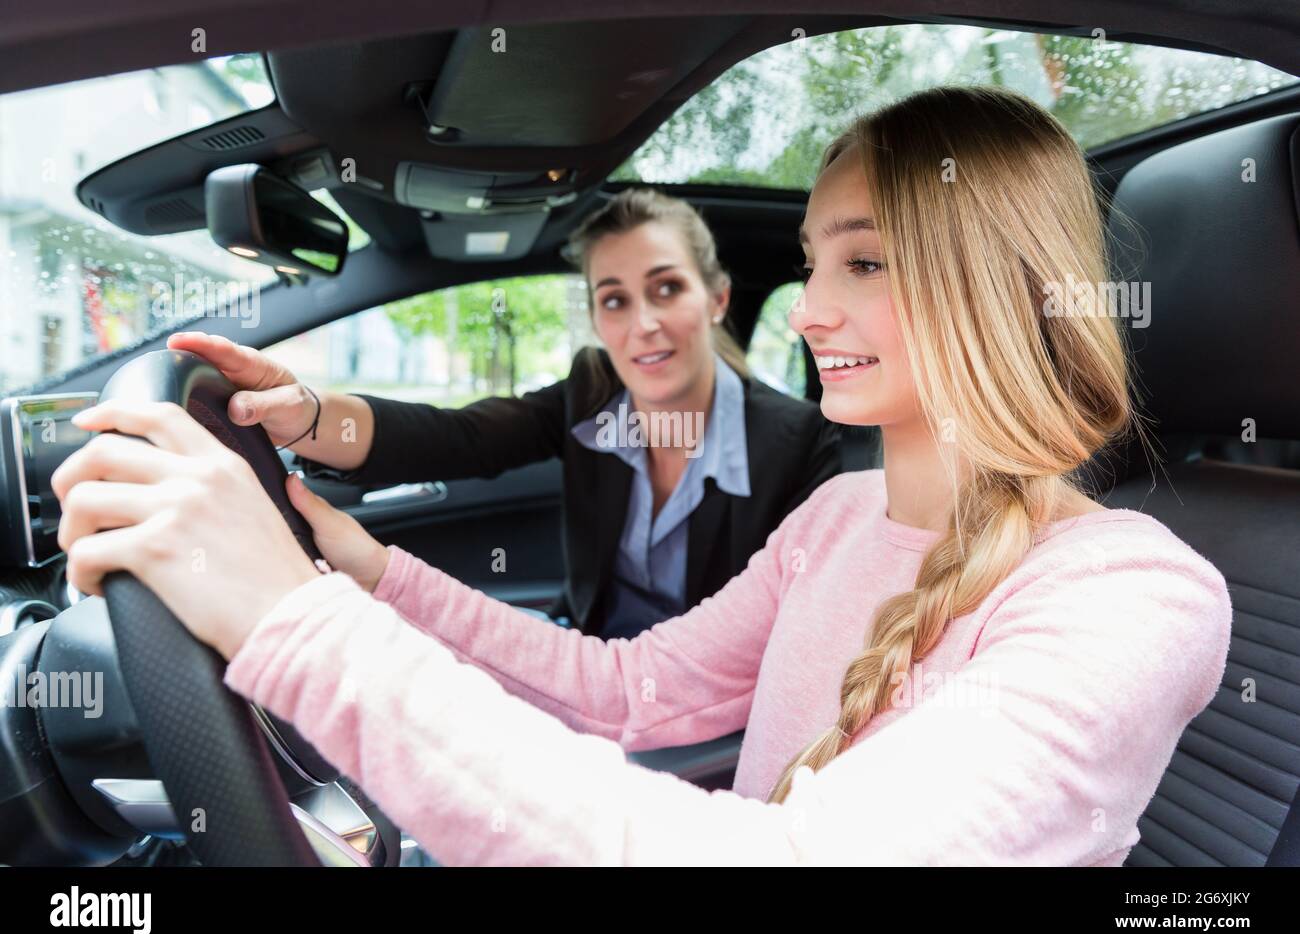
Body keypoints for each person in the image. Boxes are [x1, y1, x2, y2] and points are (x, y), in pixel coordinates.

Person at [55, 86, 1232, 864]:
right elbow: (622, 691)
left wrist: (294, 623)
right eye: (815, 263)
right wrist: (361, 568)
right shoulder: (836, 516)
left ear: (993, 281)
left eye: (864, 261)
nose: (813, 312)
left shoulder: (1134, 594)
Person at [166, 187, 841, 638]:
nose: (644, 325)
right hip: (590, 652)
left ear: (717, 298)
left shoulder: (793, 440)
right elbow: (461, 438)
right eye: (614, 299)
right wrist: (310, 414)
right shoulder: (592, 388)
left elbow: (786, 638)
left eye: (666, 288)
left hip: (708, 711)